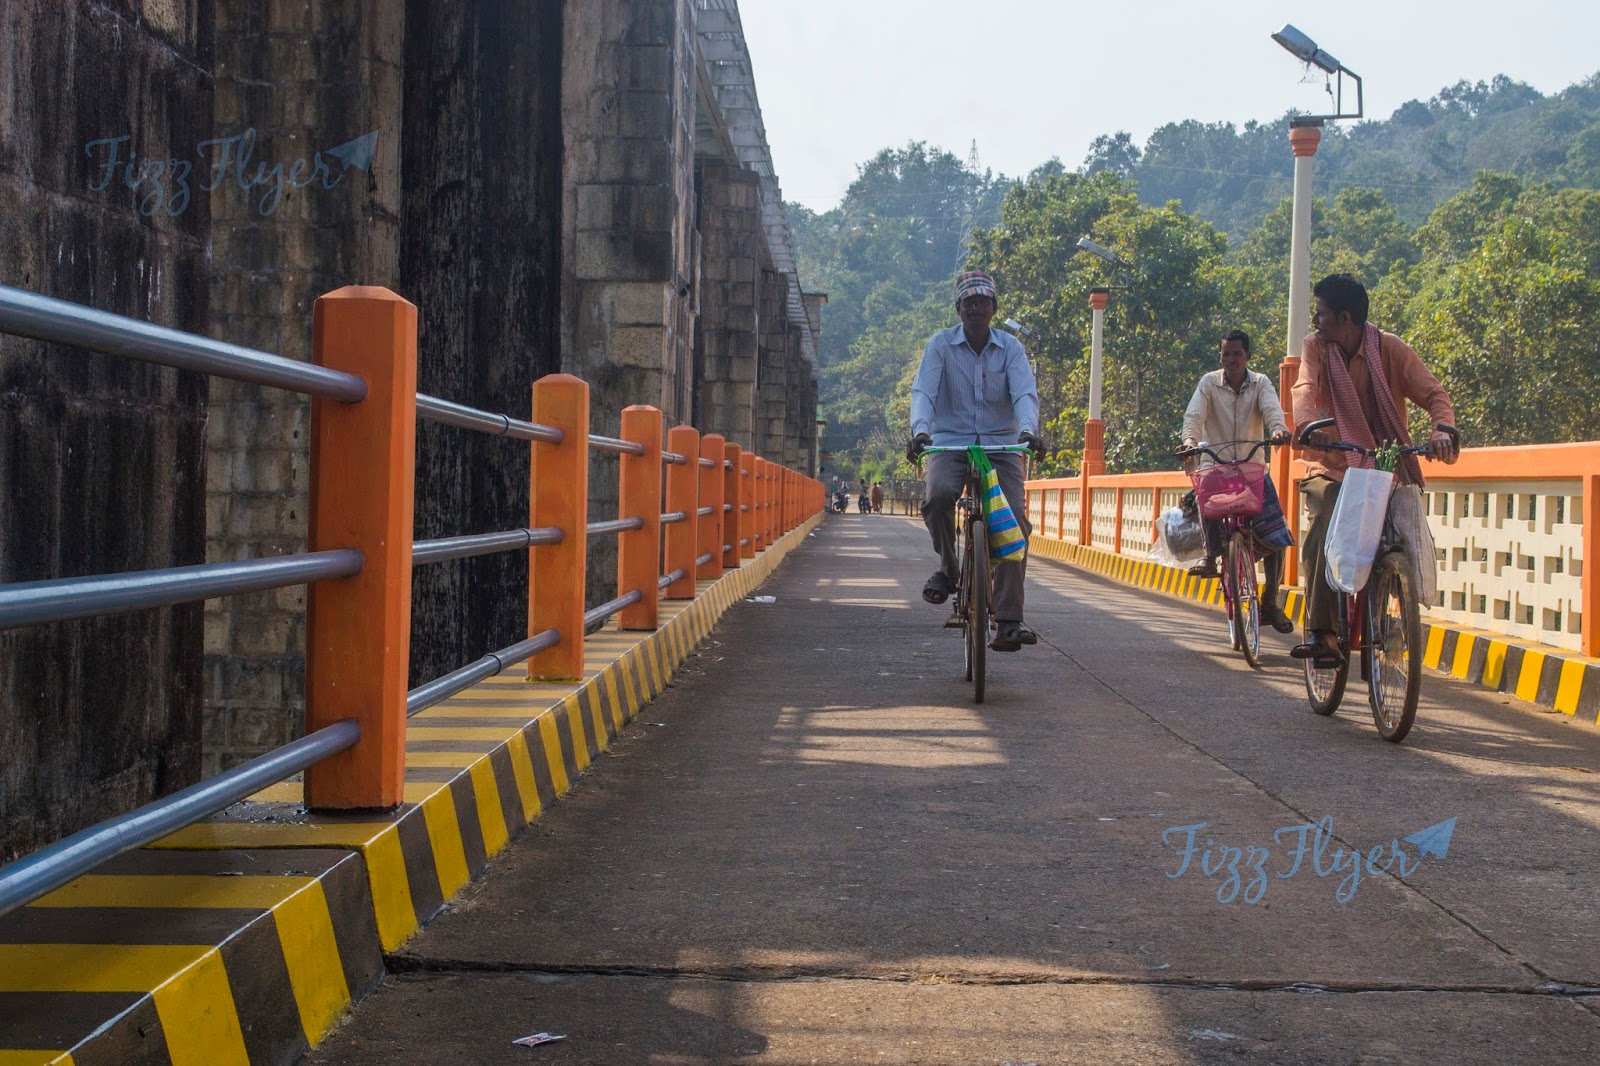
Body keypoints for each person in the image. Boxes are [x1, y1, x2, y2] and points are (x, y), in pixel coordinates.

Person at [1290, 273, 1458, 664]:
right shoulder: (1316, 347)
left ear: (1345, 318)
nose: (1316, 321)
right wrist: (1309, 427)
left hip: (1384, 465)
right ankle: (1322, 631)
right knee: (1325, 522)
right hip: (1331, 465)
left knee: (1402, 530)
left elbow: (1434, 393)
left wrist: (1441, 429)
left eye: (1322, 314)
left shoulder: (1389, 349)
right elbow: (1304, 389)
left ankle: (1399, 604)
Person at [906, 270, 1044, 652]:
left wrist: (1029, 432)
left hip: (1002, 445)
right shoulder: (940, 347)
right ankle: (949, 569)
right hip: (950, 442)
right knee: (937, 498)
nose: (976, 308)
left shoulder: (1012, 349)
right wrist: (921, 431)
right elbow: (924, 393)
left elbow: (1024, 396)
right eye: (969, 303)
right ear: (959, 309)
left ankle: (1010, 619)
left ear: (994, 308)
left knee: (1015, 519)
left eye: (983, 302)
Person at [1178, 329, 1296, 634]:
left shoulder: (1261, 384)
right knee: (1204, 493)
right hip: (1215, 466)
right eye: (1225, 354)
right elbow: (1193, 417)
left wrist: (1280, 430)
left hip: (1251, 468)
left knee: (1277, 535)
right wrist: (1190, 440)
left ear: (1248, 357)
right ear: (1220, 356)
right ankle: (1210, 555)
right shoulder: (1208, 383)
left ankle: (1270, 600)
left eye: (1236, 354)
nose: (1230, 360)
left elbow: (1272, 411)